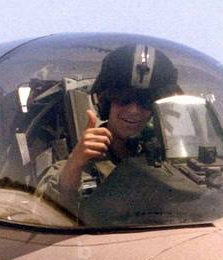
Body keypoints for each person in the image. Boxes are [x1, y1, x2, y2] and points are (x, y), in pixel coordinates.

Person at [35, 44, 180, 216]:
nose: (134, 110)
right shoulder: (80, 162)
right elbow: (44, 210)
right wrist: (75, 163)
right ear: (105, 102)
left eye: (146, 100)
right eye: (123, 97)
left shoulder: (166, 156)